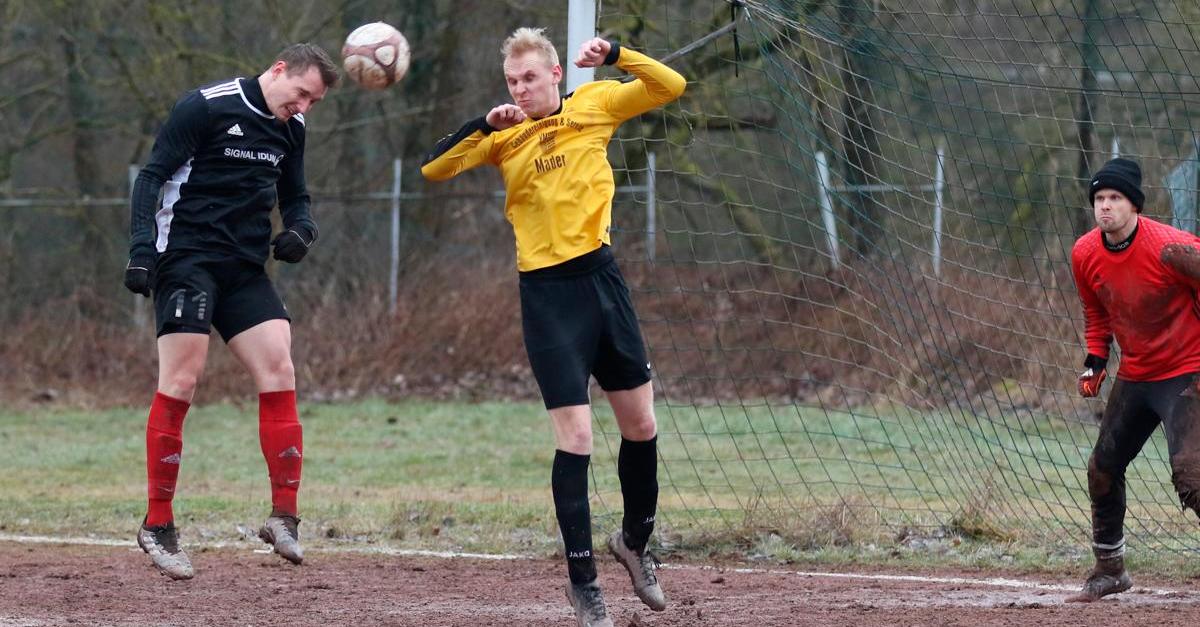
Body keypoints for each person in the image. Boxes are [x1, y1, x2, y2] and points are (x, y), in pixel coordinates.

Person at [421, 27, 685, 627]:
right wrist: (486, 125)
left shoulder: (595, 106)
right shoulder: (503, 135)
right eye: (513, 80)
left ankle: (635, 543)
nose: (521, 88)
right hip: (547, 297)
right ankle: (583, 582)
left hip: (602, 282)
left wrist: (617, 55)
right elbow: (434, 169)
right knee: (577, 439)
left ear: (556, 75)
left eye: (530, 78)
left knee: (641, 424)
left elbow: (670, 85)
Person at [122, 43, 339, 580]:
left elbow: (298, 198)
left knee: (280, 368)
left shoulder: (292, 129)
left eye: (315, 101)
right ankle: (158, 524)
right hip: (187, 261)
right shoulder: (206, 106)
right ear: (280, 70)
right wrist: (141, 251)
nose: (305, 106)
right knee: (183, 380)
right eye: (302, 93)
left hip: (243, 268)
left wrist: (301, 232)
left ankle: (284, 517)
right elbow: (151, 178)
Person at [1068, 157, 1200, 602]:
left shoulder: (1174, 249)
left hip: (1187, 370)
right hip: (1138, 373)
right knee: (1102, 469)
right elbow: (1096, 313)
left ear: (1134, 206)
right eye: (1099, 199)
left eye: (1115, 198)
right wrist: (1095, 362)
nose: (1105, 207)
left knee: (1193, 479)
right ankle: (1110, 570)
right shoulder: (1085, 253)